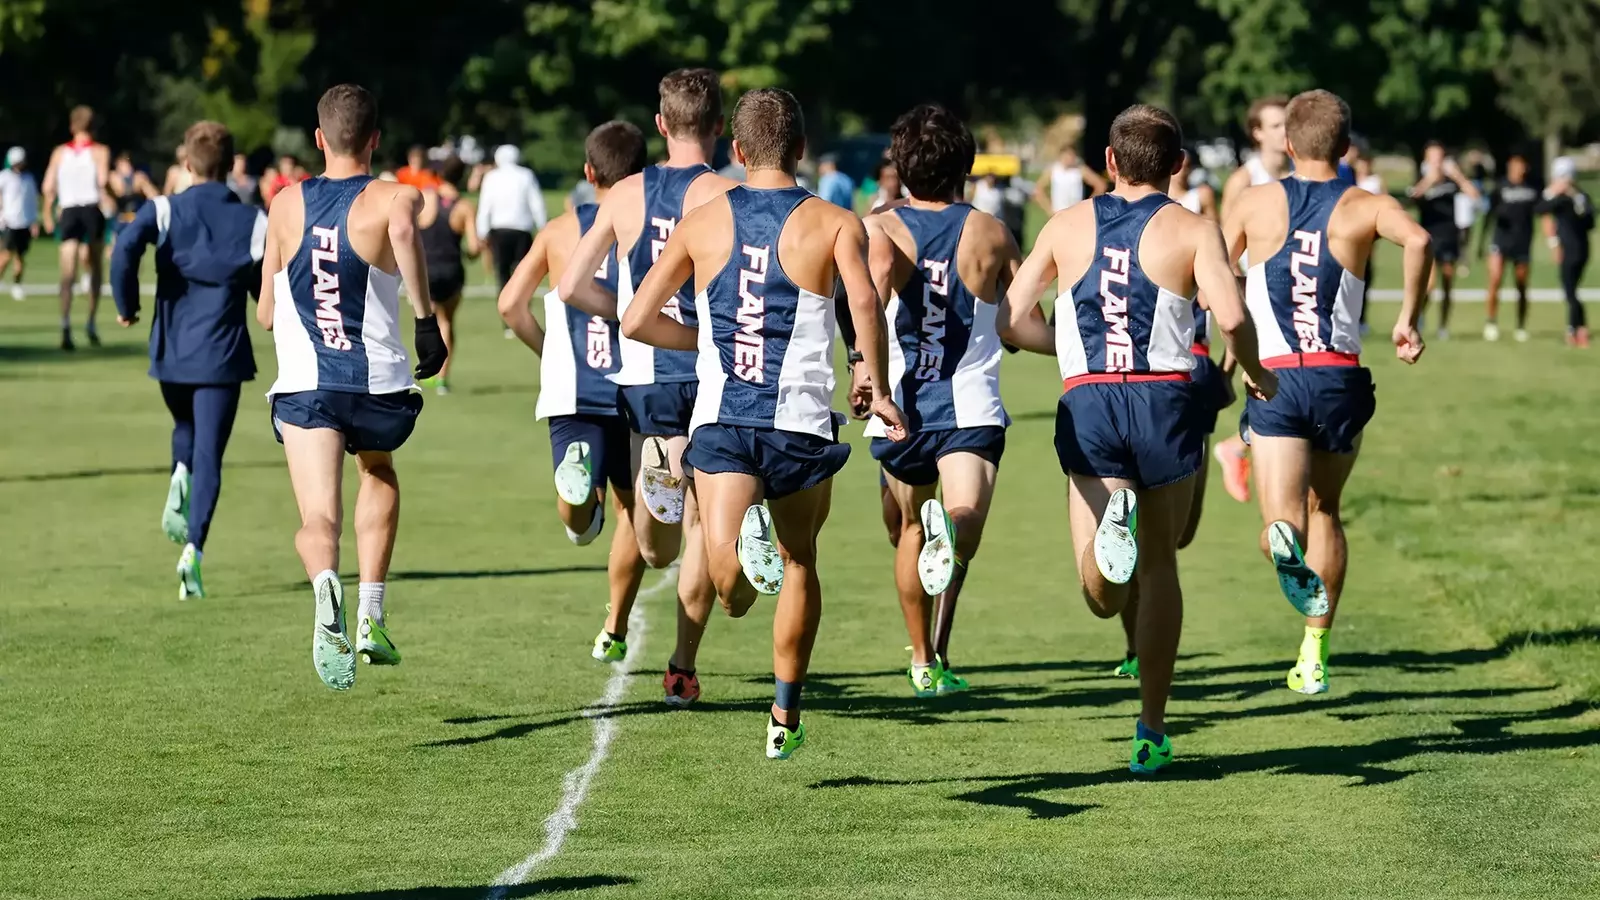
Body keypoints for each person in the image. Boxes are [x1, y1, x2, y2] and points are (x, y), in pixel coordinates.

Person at [620, 86, 906, 759]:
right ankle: (785, 712)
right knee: (800, 559)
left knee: (732, 593)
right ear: (801, 149)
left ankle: (740, 548)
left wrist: (705, 342)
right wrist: (874, 379)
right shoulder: (836, 222)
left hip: (722, 420)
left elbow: (634, 319)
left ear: (737, 150)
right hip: (802, 422)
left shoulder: (702, 222)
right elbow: (863, 303)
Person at [1000, 103, 1276, 774]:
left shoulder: (1067, 225)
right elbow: (1232, 311)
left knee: (1102, 596)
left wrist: (1066, 353)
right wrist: (1257, 371)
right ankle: (1151, 728)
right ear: (1180, 165)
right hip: (1167, 399)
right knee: (1161, 566)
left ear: (1111, 162)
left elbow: (1011, 317)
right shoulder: (1193, 228)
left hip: (1090, 398)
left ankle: (1109, 522)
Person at [1223, 89, 1431, 697]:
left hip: (1277, 378)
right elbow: (1418, 240)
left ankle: (1280, 545)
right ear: (1345, 148)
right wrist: (1407, 319)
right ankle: (1314, 650)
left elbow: (1213, 270)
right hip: (1339, 377)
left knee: (1279, 520)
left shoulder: (1254, 203)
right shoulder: (1365, 205)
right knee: (1327, 511)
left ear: (1286, 143)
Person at [255, 84, 448, 691]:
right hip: (377, 383)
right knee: (378, 472)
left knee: (318, 518)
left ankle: (323, 585)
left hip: (307, 384)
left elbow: (264, 313)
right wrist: (426, 321)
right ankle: (370, 614)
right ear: (375, 140)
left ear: (318, 139)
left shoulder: (285, 206)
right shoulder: (396, 195)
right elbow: (405, 232)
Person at [557, 68, 740, 705]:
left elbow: (572, 287)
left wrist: (635, 313)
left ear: (660, 125)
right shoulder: (727, 192)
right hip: (719, 377)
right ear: (720, 127)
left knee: (656, 544)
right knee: (702, 529)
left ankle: (660, 499)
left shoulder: (627, 193)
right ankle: (683, 664)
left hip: (648, 380)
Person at [861, 104, 1015, 697]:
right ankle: (950, 530)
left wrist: (863, 375)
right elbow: (1021, 316)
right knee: (964, 515)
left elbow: (866, 308)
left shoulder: (880, 228)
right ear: (967, 167)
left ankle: (924, 660)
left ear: (900, 165)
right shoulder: (991, 232)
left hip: (901, 405)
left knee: (905, 533)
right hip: (970, 406)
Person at [499, 120, 652, 672]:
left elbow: (510, 305)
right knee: (633, 513)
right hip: (635, 387)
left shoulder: (560, 231)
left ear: (589, 174)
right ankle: (614, 625)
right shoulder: (650, 229)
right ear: (642, 172)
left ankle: (576, 487)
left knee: (580, 529)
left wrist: (549, 354)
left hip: (571, 391)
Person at [110, 122, 267, 600]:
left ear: (186, 163)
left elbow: (123, 249)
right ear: (232, 166)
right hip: (221, 357)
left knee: (185, 426)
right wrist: (268, 309)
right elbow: (265, 287)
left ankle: (178, 473)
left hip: (171, 353)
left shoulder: (163, 209)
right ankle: (193, 550)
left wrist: (127, 305)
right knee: (210, 456)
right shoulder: (254, 221)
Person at [1106, 145, 1232, 682]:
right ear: (1175, 164)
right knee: (1159, 545)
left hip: (1189, 376)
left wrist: (1228, 367)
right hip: (1156, 382)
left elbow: (1230, 299)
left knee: (1179, 534)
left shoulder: (1195, 229)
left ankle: (1138, 636)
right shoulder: (1112, 225)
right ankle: (1136, 647)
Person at [1213, 96, 1292, 504]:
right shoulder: (1245, 180)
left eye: (1288, 124)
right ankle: (1241, 447)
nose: (1284, 132)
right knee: (1268, 387)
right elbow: (1222, 252)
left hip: (1290, 297)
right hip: (1250, 297)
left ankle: (1243, 449)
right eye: (1275, 125)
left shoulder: (1300, 175)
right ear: (1257, 132)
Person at [40, 105, 111, 350]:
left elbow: (48, 186)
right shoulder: (100, 151)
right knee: (95, 270)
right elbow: (102, 181)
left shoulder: (60, 153)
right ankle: (90, 321)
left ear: (72, 127)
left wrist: (47, 212)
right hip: (91, 209)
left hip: (69, 210)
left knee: (67, 273)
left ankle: (65, 323)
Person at [416, 158, 482, 393]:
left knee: (427, 320)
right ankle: (442, 378)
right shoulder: (465, 207)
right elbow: (474, 248)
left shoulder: (425, 197)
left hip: (426, 269)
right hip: (452, 269)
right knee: (446, 322)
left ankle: (426, 371)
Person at [1408, 141, 1478, 340]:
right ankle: (1419, 314)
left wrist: (1457, 175)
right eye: (1433, 158)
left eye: (1440, 158)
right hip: (1428, 237)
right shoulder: (1423, 179)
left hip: (1449, 236)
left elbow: (1474, 195)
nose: (1437, 163)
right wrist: (1429, 180)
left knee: (1447, 282)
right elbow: (1412, 199)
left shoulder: (1451, 181)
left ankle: (1443, 326)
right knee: (1429, 284)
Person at [1479, 153, 1539, 343]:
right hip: (1500, 241)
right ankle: (1491, 322)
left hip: (1522, 242)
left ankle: (1521, 326)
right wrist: (1481, 243)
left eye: (1521, 165)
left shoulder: (1532, 188)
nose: (1518, 169)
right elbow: (1489, 215)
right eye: (1514, 165)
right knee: (1495, 280)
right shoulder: (1500, 187)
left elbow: (1540, 211)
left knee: (1521, 285)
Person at [476, 143, 548, 299]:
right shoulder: (526, 175)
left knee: (502, 274)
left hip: (498, 231)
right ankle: (521, 308)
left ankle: (506, 313)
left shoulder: (491, 177)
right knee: (522, 273)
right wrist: (543, 228)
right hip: (522, 230)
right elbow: (537, 204)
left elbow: (485, 206)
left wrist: (482, 232)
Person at [1539, 156, 1594, 348]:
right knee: (1572, 291)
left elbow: (1590, 221)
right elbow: (1541, 209)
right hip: (1581, 249)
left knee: (1570, 291)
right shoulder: (1574, 197)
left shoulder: (1571, 198)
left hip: (1573, 250)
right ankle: (1580, 328)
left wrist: (1554, 193)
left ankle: (1575, 330)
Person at [0, 147, 40, 301]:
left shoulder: (28, 178)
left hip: (24, 222)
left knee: (20, 256)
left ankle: (17, 284)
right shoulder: (4, 177)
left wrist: (34, 221)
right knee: (6, 255)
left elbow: (32, 201)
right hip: (9, 221)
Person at [1032, 144, 1107, 213]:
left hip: (1076, 213)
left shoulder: (1079, 169)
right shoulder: (1053, 170)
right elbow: (1038, 189)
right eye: (1066, 156)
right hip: (1058, 213)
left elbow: (1100, 185)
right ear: (1060, 156)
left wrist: (1087, 206)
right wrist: (1049, 210)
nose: (1068, 159)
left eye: (1071, 156)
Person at [107, 152, 158, 255]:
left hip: (135, 218)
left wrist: (141, 184)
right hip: (119, 219)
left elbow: (154, 196)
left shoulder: (139, 177)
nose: (126, 167)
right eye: (122, 164)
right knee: (113, 251)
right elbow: (116, 191)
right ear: (117, 165)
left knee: (135, 250)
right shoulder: (112, 177)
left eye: (127, 163)